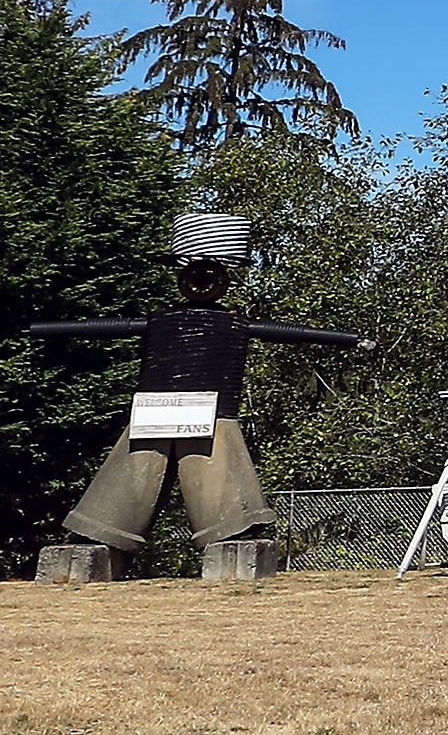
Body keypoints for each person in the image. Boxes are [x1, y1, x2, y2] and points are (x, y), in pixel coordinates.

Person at [30, 213, 371, 570]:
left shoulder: (219, 323)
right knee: (148, 473)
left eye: (210, 275)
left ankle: (117, 527)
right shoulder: (191, 323)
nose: (201, 283)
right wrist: (351, 340)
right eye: (196, 274)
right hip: (173, 412)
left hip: (187, 412)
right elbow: (290, 332)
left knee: (175, 471)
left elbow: (292, 332)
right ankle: (111, 528)